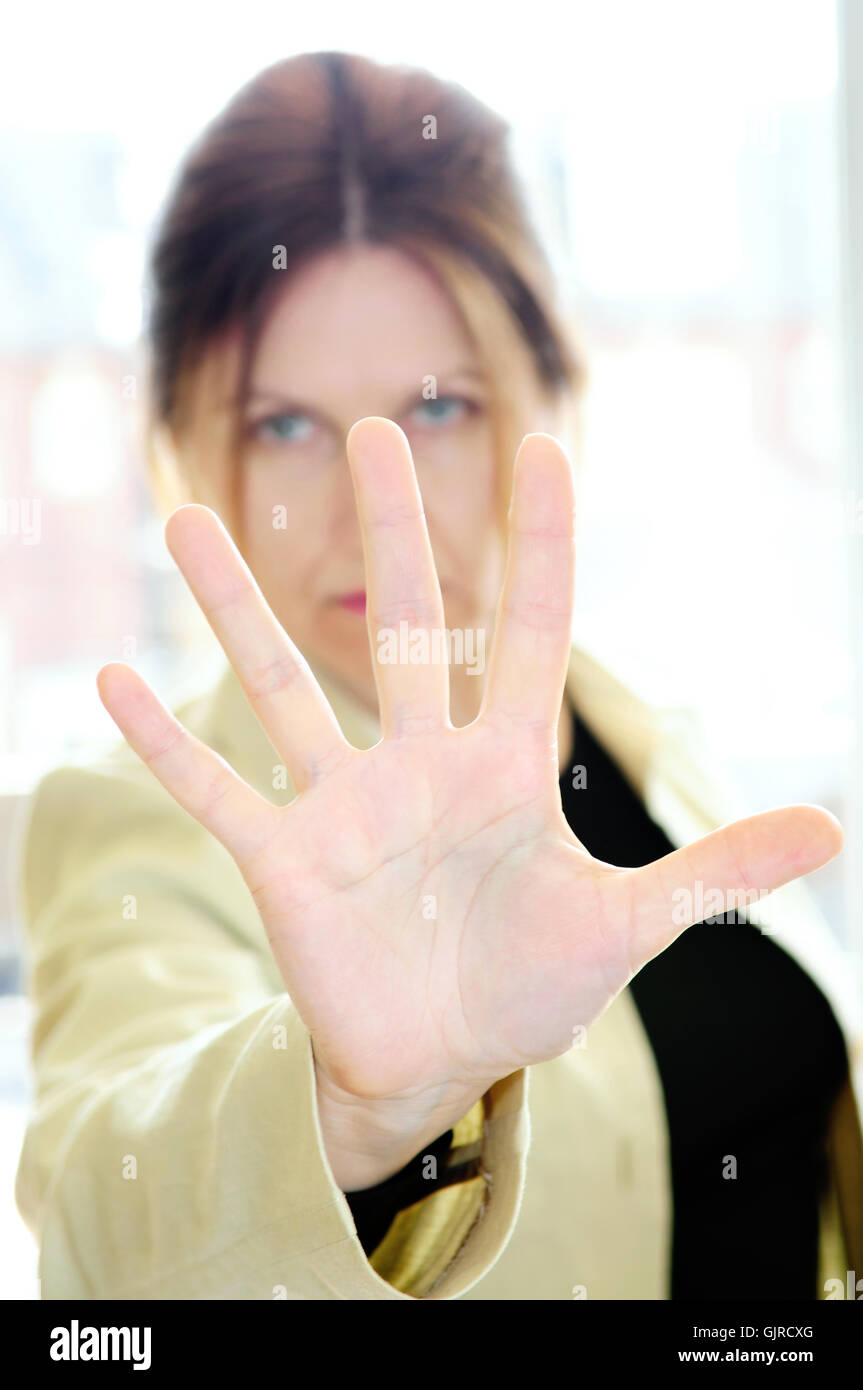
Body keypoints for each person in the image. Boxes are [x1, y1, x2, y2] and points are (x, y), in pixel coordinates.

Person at [14, 50, 863, 1301]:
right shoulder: (144, 820)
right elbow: (115, 1234)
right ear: (188, 450)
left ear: (549, 396)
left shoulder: (639, 735)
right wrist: (357, 1115)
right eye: (283, 424)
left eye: (440, 408)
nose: (375, 502)